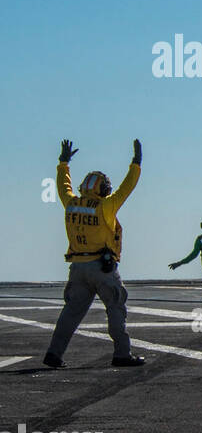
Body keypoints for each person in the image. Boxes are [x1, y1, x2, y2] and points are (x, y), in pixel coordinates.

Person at [43, 138, 146, 368]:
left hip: (77, 268)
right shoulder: (105, 206)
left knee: (70, 314)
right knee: (116, 308)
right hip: (102, 267)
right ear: (102, 189)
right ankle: (121, 354)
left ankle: (54, 353)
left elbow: (63, 186)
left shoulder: (70, 203)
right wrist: (136, 163)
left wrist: (63, 163)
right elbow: (126, 187)